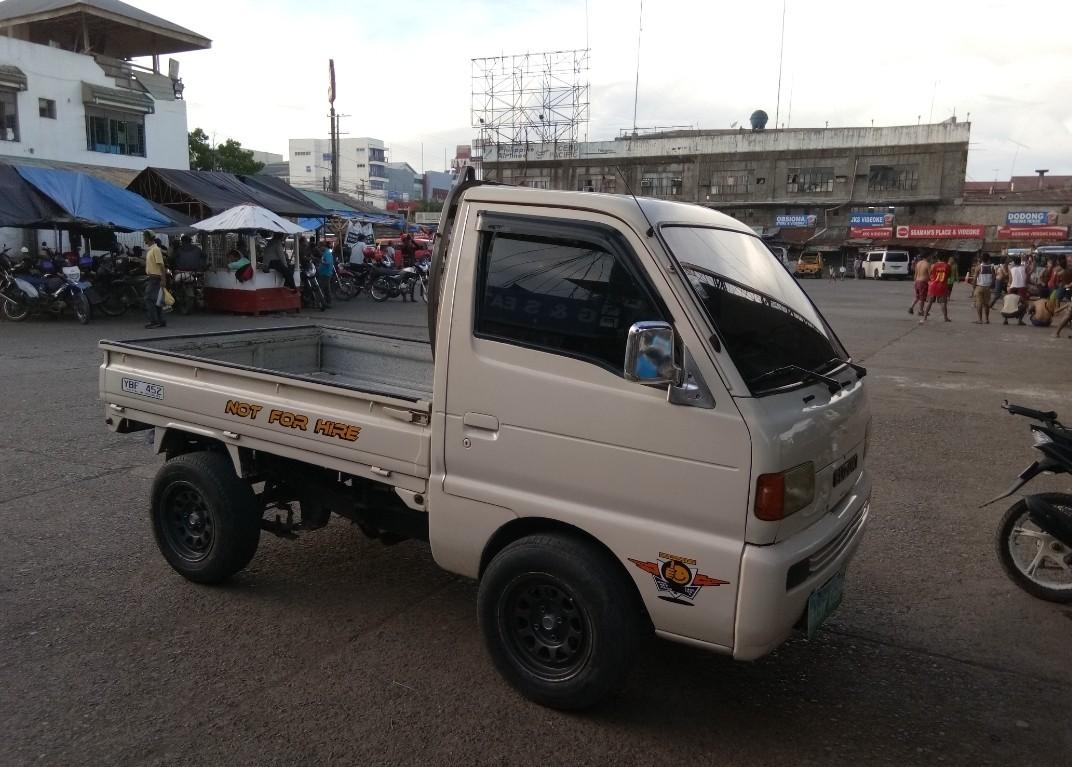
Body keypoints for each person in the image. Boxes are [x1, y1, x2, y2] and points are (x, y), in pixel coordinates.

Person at [142, 230, 167, 329]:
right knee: (156, 300)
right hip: (153, 277)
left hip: (155, 278)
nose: (143, 238)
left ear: (148, 238)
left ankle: (154, 321)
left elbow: (161, 265)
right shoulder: (151, 250)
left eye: (144, 237)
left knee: (148, 299)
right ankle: (161, 321)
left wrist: (163, 279)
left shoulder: (156, 249)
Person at [920, 254, 950, 323]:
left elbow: (930, 274)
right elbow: (948, 275)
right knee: (943, 303)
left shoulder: (933, 265)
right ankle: (945, 318)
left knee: (929, 302)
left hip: (933, 285)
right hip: (942, 285)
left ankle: (925, 317)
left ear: (937, 258)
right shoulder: (947, 266)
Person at [972, 253, 994, 324]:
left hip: (980, 287)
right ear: (989, 259)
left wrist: (974, 287)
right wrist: (991, 285)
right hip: (988, 287)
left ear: (981, 259)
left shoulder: (978, 267)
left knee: (979, 303)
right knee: (986, 304)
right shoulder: (991, 267)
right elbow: (994, 278)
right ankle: (987, 319)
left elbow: (975, 278)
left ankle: (980, 319)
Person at [316, 241, 334, 308]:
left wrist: (321, 261)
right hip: (325, 272)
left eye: (320, 247)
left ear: (323, 247)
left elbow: (328, 262)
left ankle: (322, 303)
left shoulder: (327, 253)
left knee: (322, 288)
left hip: (325, 273)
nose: (319, 249)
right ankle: (327, 302)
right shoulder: (326, 252)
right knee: (326, 288)